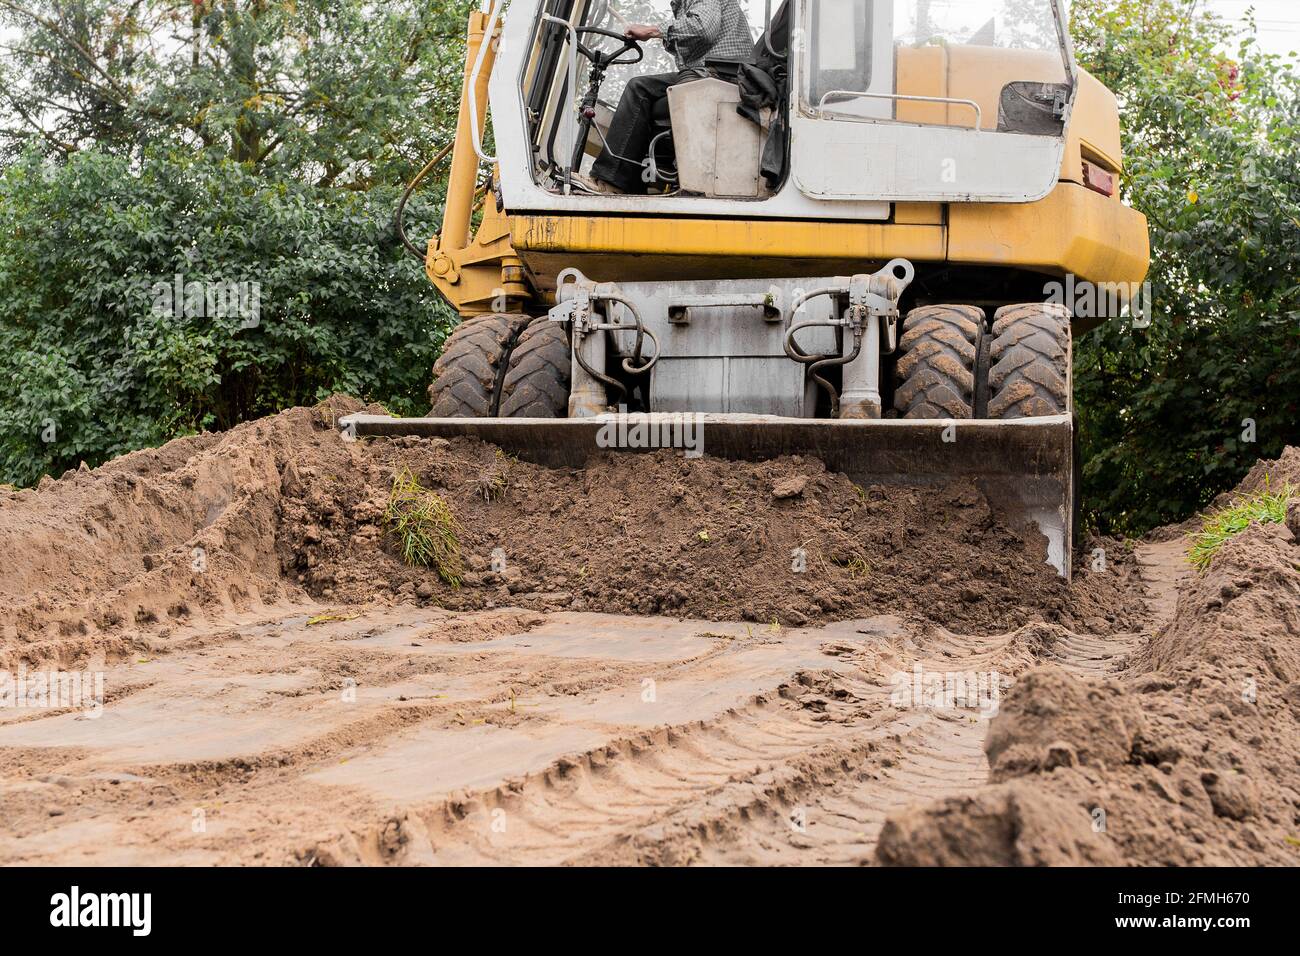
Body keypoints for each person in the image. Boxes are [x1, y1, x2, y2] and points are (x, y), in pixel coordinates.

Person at [584, 0, 754, 193]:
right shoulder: (684, 5)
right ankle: (632, 187)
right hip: (712, 73)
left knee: (638, 89)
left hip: (722, 75)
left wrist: (651, 31)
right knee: (642, 106)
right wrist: (661, 36)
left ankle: (610, 181)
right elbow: (694, 42)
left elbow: (703, 28)